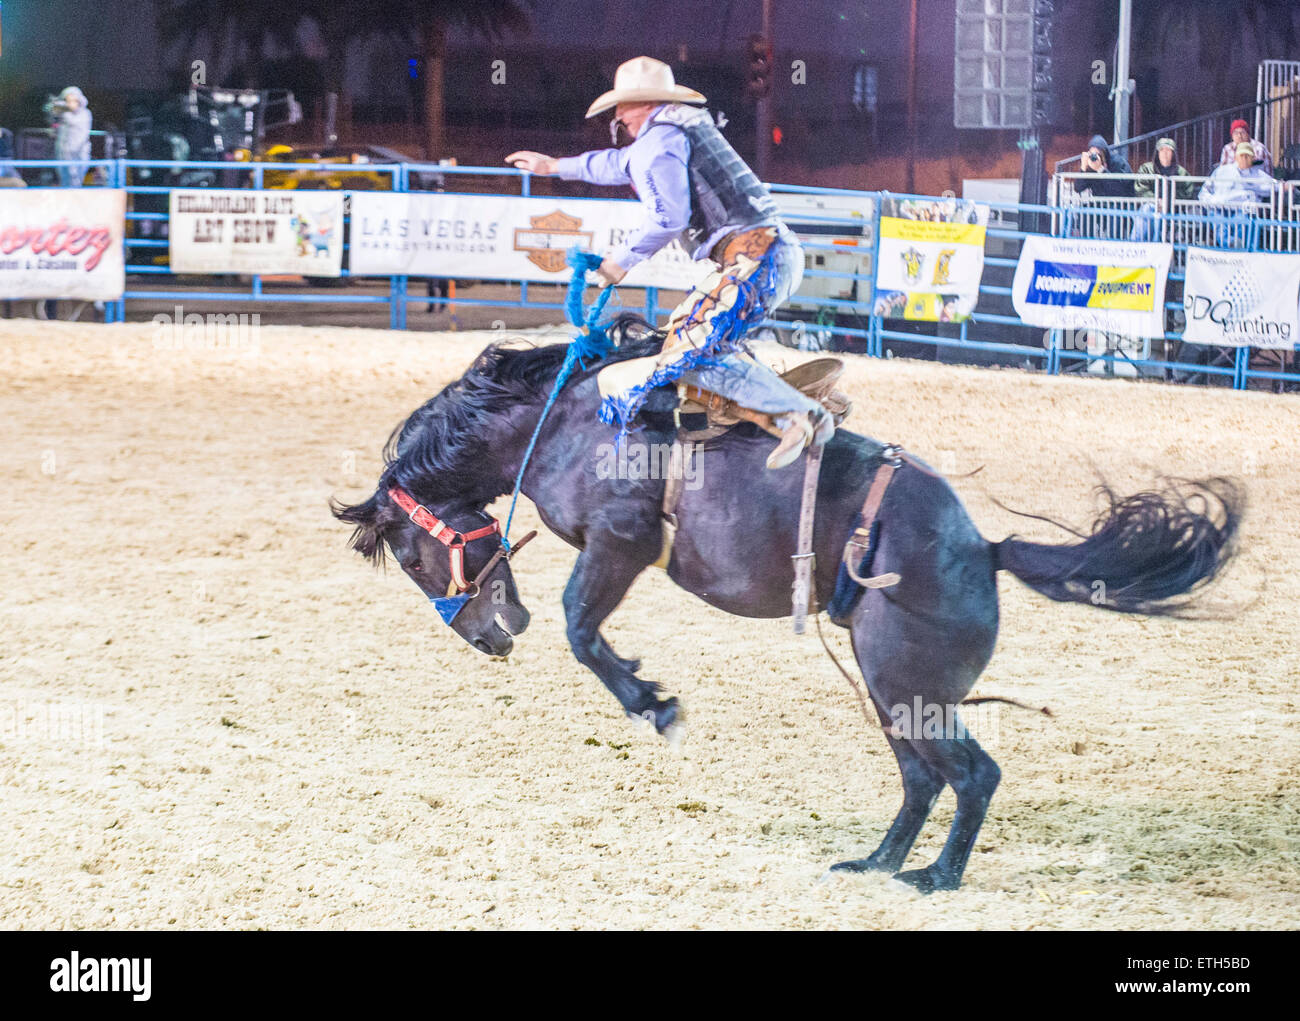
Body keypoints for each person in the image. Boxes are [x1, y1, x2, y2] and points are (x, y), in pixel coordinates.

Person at [505, 56, 831, 469]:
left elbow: (667, 217)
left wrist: (620, 262)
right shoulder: (675, 132)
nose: (619, 116)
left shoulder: (658, 143)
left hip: (756, 258)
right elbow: (615, 163)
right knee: (691, 341)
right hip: (763, 255)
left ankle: (797, 413)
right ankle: (773, 408)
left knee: (688, 351)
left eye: (624, 106)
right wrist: (554, 166)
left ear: (645, 105)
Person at [1199, 141, 1275, 248]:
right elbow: (1204, 192)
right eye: (1241, 155)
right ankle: (1231, 245)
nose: (1244, 158)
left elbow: (1274, 186)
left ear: (1252, 158)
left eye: (1247, 156)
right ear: (1236, 157)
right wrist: (1212, 202)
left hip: (1242, 209)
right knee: (1219, 224)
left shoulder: (1258, 175)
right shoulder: (1221, 171)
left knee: (1242, 221)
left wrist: (1286, 187)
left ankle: (1236, 249)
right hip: (1218, 207)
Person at [1129, 138, 1195, 241]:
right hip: (1150, 207)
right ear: (1157, 153)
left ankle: (1155, 246)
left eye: (1168, 150)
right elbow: (1140, 189)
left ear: (1173, 154)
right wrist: (1156, 202)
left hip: (1174, 211)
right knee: (1148, 209)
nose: (1165, 153)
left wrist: (1167, 202)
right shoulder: (1146, 169)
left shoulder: (1182, 173)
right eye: (1162, 150)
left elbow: (1187, 193)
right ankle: (1134, 246)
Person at [51, 86, 92, 187]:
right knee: (64, 178)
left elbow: (79, 128)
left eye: (74, 100)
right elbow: (51, 113)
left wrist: (64, 113)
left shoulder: (85, 114)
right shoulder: (62, 114)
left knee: (76, 178)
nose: (71, 103)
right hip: (63, 152)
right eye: (68, 101)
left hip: (79, 152)